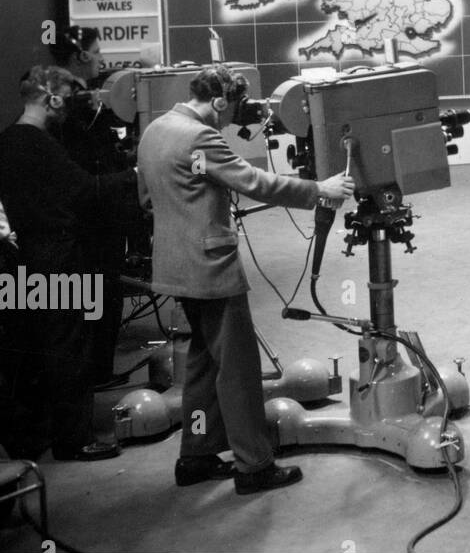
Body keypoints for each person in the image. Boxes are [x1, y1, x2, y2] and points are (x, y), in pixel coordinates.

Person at [136, 65, 354, 494]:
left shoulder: (156, 129)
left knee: (201, 363)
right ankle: (254, 465)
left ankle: (196, 454)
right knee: (237, 369)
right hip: (210, 267)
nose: (233, 119)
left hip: (175, 267)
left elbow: (148, 197)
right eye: (233, 109)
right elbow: (253, 181)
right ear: (219, 101)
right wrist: (319, 189)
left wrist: (198, 201)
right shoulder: (200, 136)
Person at [0, 67, 137, 461]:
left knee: (44, 346)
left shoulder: (10, 139)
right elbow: (84, 190)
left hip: (29, 254)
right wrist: (136, 175)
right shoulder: (36, 143)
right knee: (70, 348)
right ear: (51, 99)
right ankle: (73, 440)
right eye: (69, 98)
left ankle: (40, 434)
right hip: (58, 257)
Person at [48, 25, 141, 387]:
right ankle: (98, 371)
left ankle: (97, 368)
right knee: (103, 287)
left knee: (100, 288)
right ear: (81, 55)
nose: (102, 58)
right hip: (96, 213)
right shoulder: (76, 100)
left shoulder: (72, 96)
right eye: (97, 51)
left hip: (91, 209)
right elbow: (91, 155)